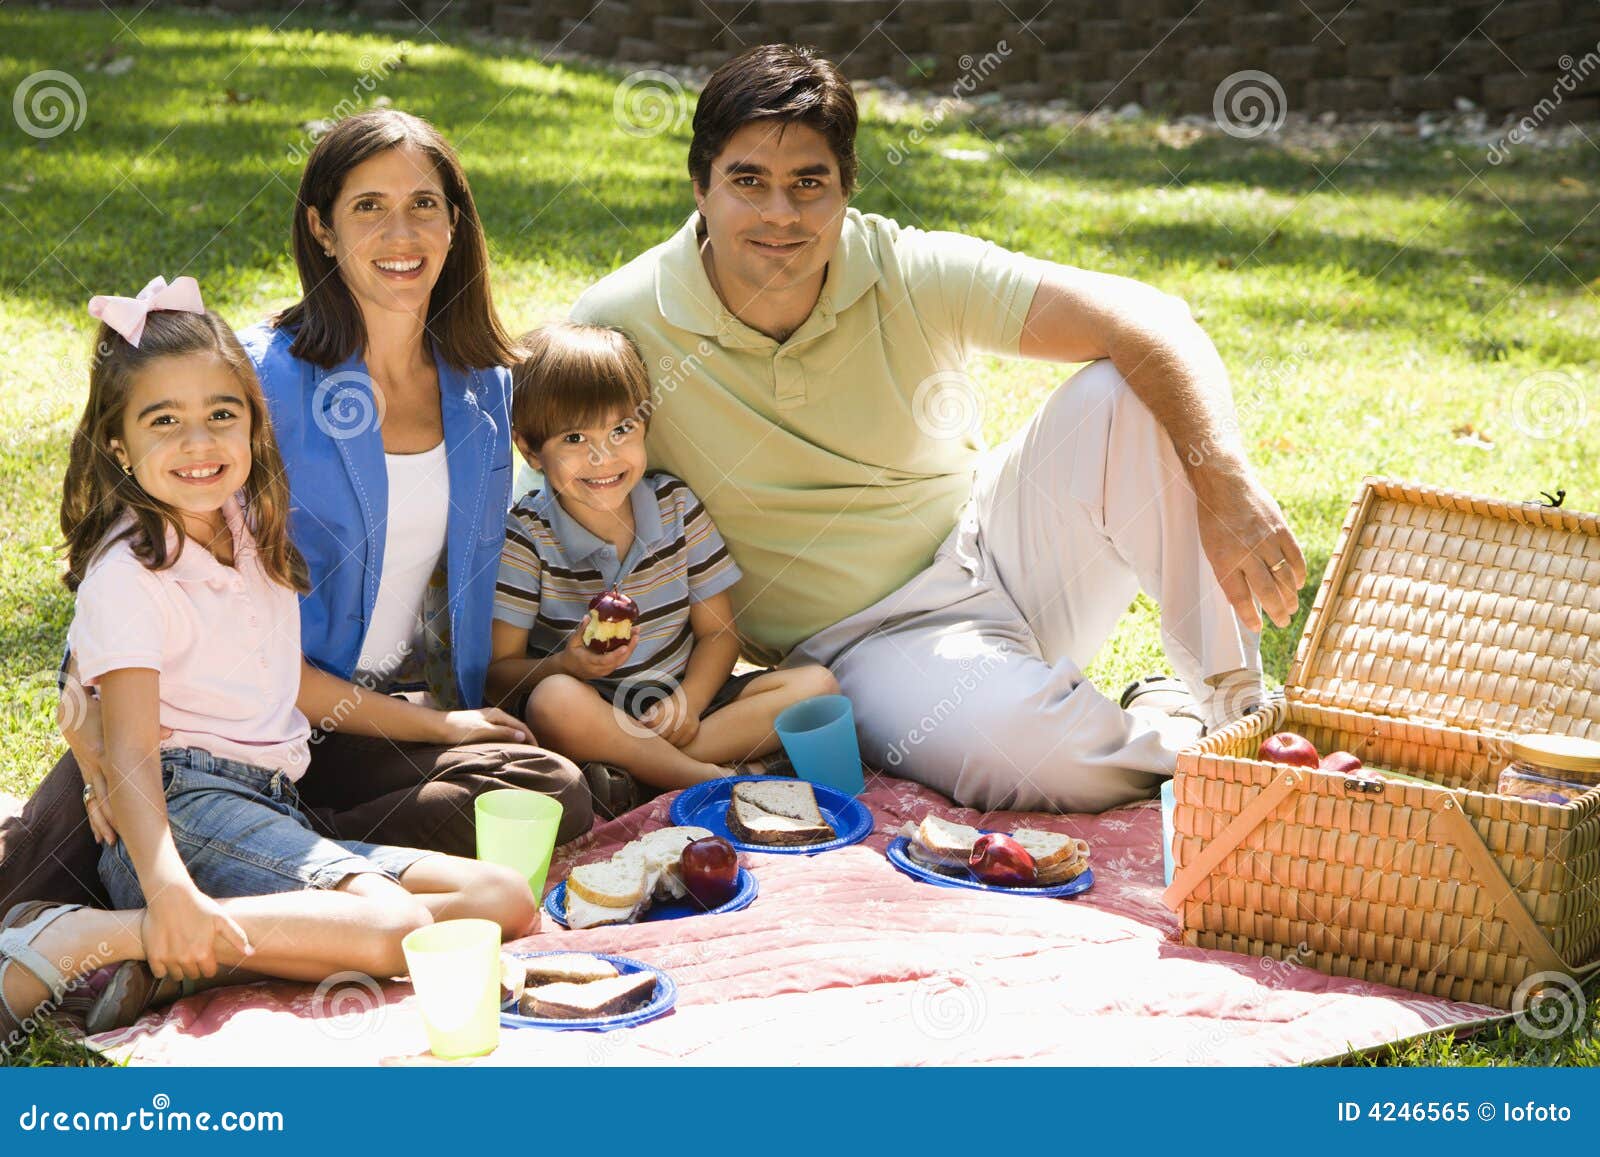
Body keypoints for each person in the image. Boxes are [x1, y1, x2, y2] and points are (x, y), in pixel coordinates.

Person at [571, 44, 1308, 814]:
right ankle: (1180, 746)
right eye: (747, 182)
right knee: (1041, 754)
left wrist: (1223, 479)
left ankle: (1238, 711)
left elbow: (1152, 318)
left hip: (999, 547)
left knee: (1126, 389)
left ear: (846, 191)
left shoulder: (907, 266)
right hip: (868, 646)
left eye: (808, 184)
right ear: (699, 187)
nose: (779, 214)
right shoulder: (622, 322)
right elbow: (556, 491)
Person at [0, 109, 594, 916]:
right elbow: (122, 563)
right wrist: (96, 751)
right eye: (367, 207)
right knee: (24, 890)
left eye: (425, 203)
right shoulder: (257, 378)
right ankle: (241, 863)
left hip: (362, 725)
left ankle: (280, 853)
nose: (401, 231)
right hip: (208, 727)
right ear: (320, 228)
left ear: (456, 223)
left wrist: (455, 722)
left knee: (552, 787)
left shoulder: (483, 386)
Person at [0, 281, 538, 1045]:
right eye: (165, 422)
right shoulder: (130, 571)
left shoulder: (246, 524)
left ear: (255, 422)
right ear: (118, 445)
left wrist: (439, 721)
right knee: (396, 927)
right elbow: (130, 751)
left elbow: (289, 681)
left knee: (503, 894)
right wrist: (168, 886)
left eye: (223, 414)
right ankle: (99, 932)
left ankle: (190, 955)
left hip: (268, 804)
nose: (200, 442)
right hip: (183, 812)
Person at [486, 322, 837, 791]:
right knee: (553, 703)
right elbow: (499, 675)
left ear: (644, 425)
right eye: (573, 439)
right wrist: (565, 666)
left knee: (817, 688)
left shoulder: (676, 506)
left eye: (621, 430)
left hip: (685, 707)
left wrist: (689, 703)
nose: (602, 457)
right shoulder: (527, 539)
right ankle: (717, 779)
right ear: (529, 449)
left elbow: (719, 633)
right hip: (597, 712)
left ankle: (644, 775)